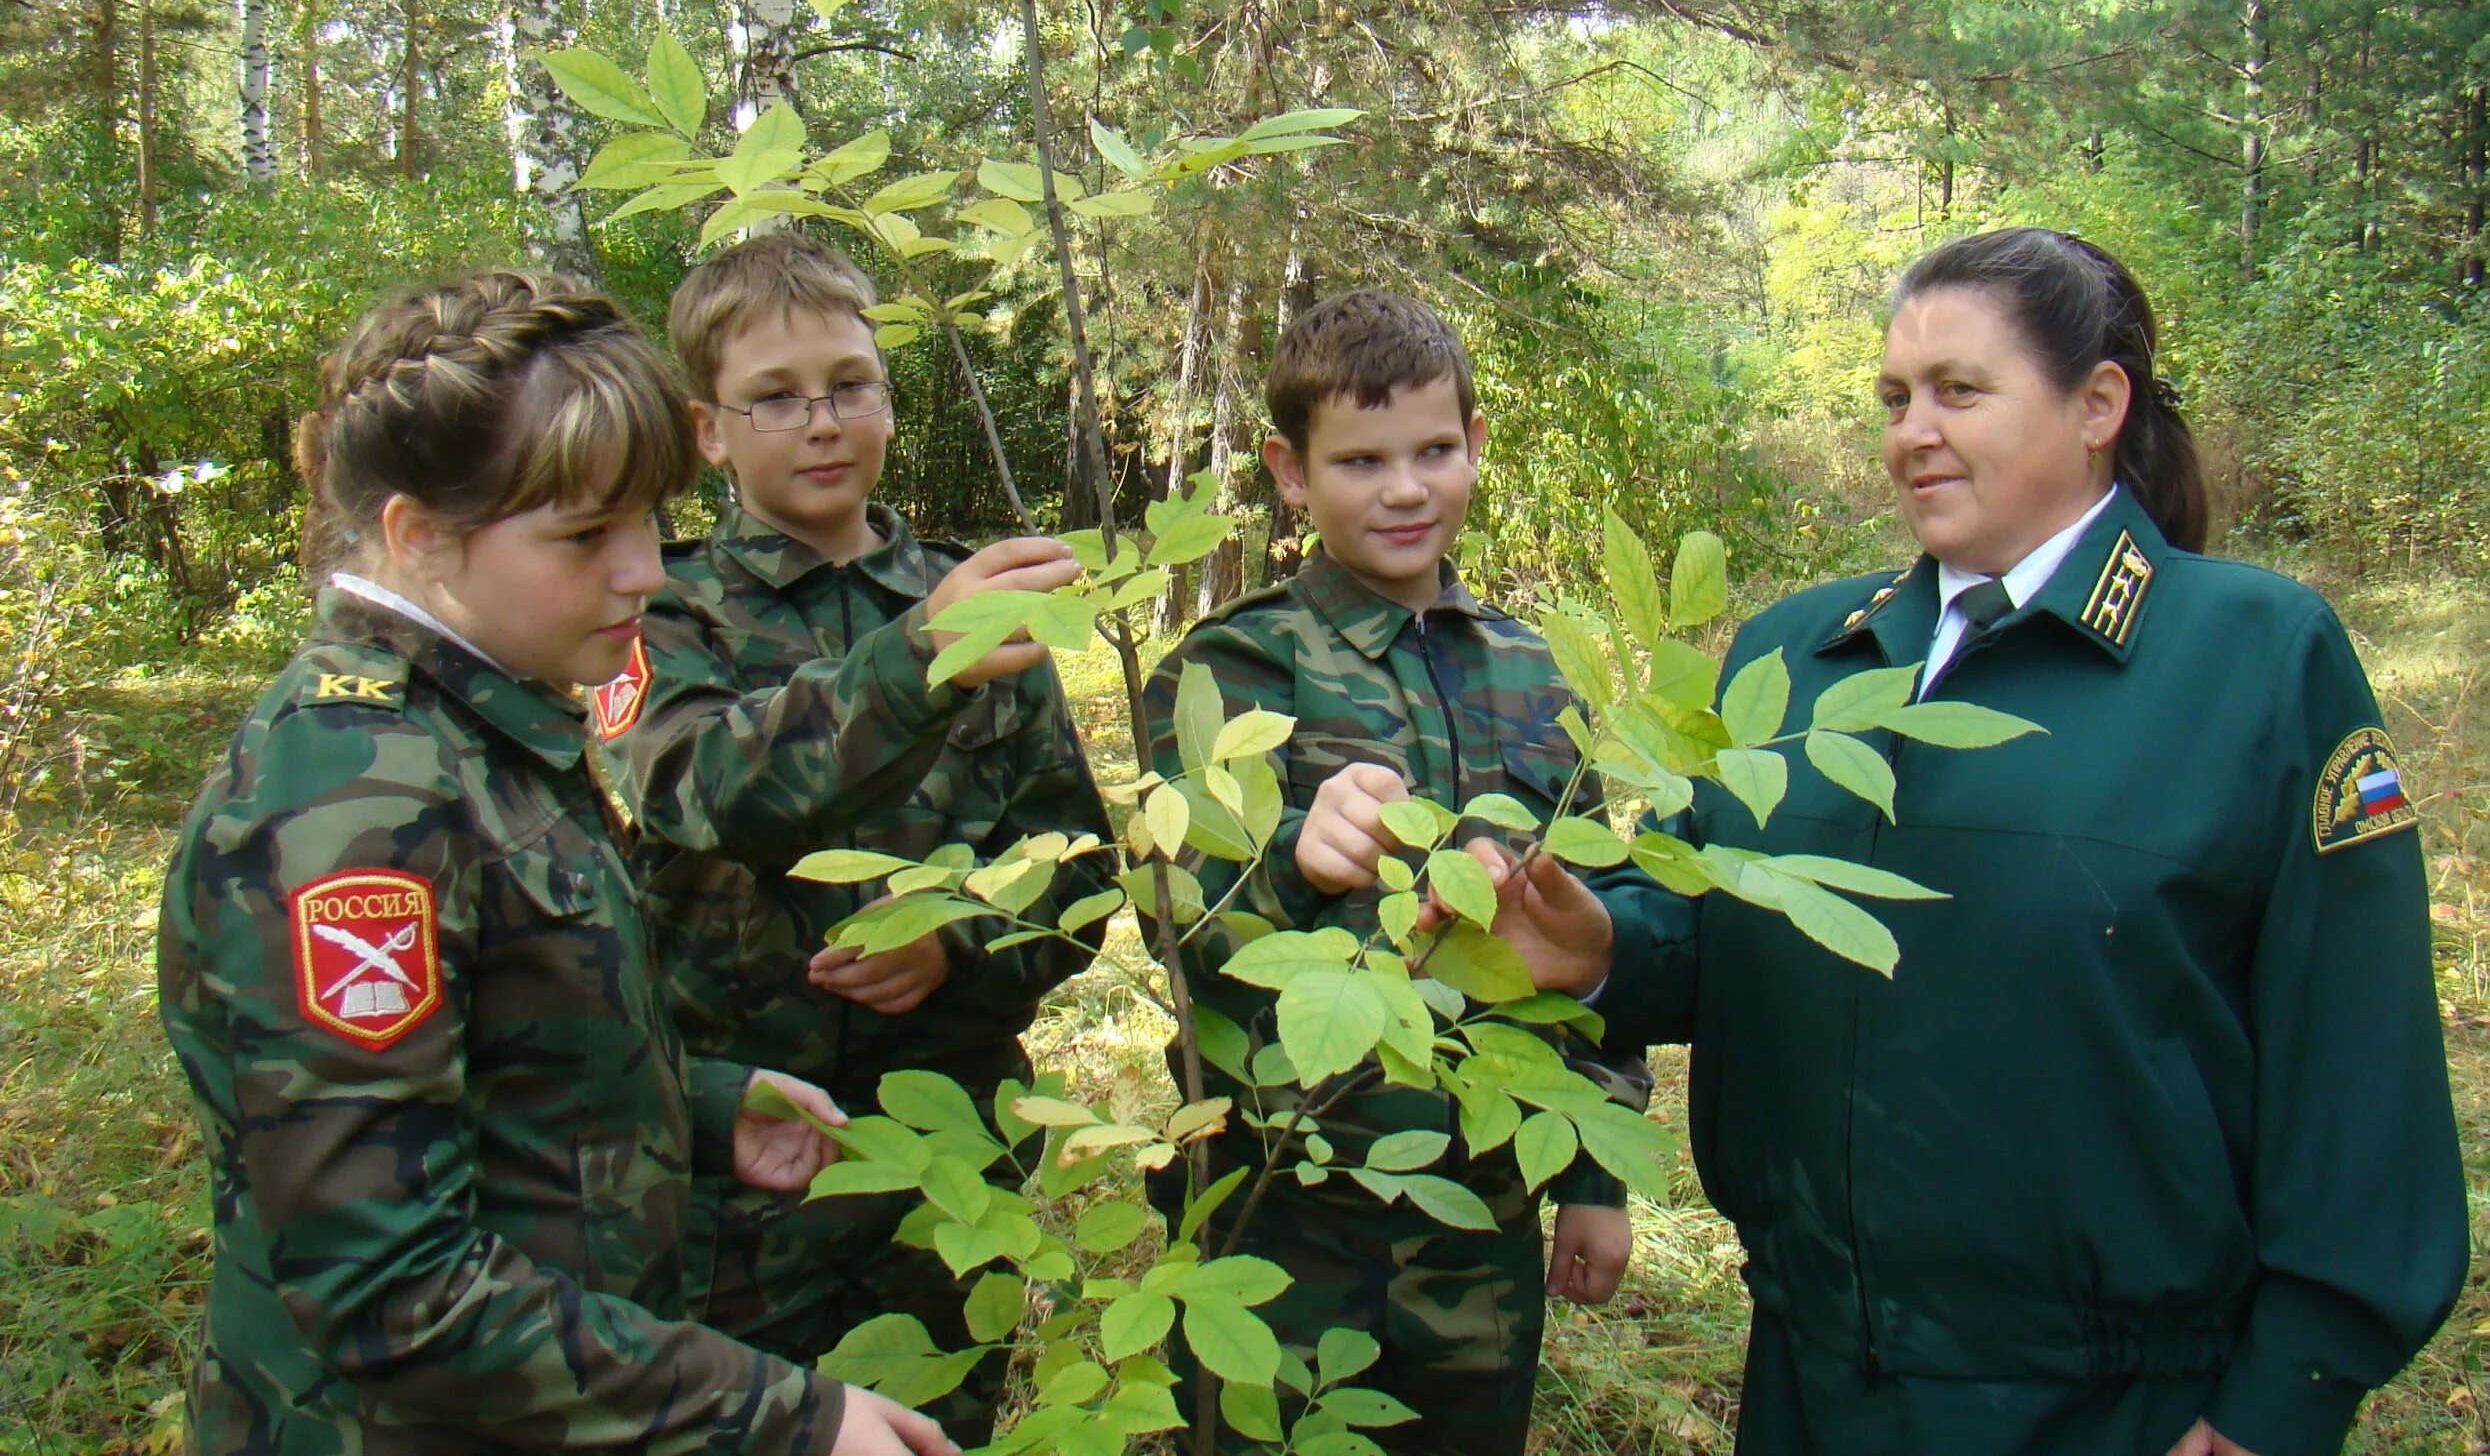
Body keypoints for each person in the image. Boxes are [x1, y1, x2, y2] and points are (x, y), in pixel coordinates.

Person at [1447, 227, 2469, 1456]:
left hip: (2114, 1405)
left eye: (1958, 391)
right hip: (1815, 1379)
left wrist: (2283, 1394)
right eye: (1893, 397)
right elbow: (1716, 943)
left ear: (2097, 405)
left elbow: (2358, 1057)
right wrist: (1600, 942)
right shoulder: (1798, 655)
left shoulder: (2251, 659)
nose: (1909, 431)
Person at [157, 270, 958, 1455]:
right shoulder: (352, 799)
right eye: (585, 535)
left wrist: (697, 1105)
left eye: (645, 520)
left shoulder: (489, 727)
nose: (642, 570)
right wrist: (781, 1414)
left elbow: (486, 1058)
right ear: (418, 537)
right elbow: (391, 1289)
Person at [598, 232, 1101, 1437]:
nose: (819, 421)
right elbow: (704, 792)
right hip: (735, 1172)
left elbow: (1072, 864)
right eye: (772, 397)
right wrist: (923, 656)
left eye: (848, 386)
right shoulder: (657, 613)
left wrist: (961, 950)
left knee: (938, 1425)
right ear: (707, 429)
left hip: (948, 1157)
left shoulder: (981, 607)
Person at [1141, 288, 1651, 1455]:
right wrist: (1287, 864)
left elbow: (1599, 931)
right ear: (1288, 469)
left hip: (1484, 1218)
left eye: (1434, 450)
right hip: (1284, 1213)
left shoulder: (1536, 671)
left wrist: (1595, 1171)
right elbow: (1173, 922)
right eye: (1361, 460)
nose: (1406, 488)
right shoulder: (1231, 670)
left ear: (1475, 443)